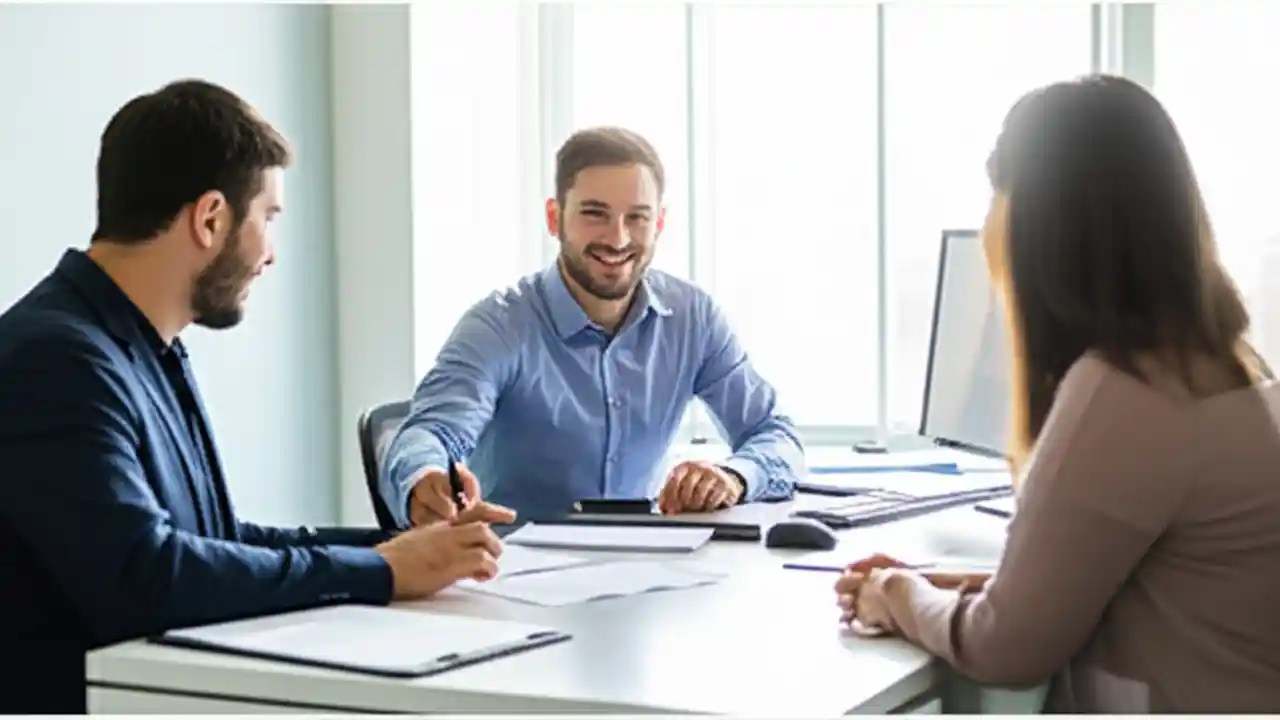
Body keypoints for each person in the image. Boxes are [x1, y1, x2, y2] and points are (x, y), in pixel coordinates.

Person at [0, 80, 514, 713]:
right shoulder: (55, 357)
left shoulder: (145, 345)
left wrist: (402, 546)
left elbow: (216, 537)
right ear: (211, 218)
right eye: (267, 219)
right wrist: (383, 572)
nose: (270, 254)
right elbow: (147, 577)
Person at [835, 74, 1280, 713]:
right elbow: (1138, 587)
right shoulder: (1226, 365)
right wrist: (939, 583)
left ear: (1041, 225)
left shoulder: (1126, 391)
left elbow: (1008, 649)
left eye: (998, 194)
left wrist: (898, 594)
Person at [382, 126, 804, 526]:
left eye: (637, 217)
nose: (618, 239)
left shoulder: (694, 319)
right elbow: (431, 433)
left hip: (645, 571)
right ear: (554, 217)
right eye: (595, 214)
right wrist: (425, 478)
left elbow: (775, 435)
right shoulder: (498, 326)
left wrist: (735, 477)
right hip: (511, 575)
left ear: (658, 224)